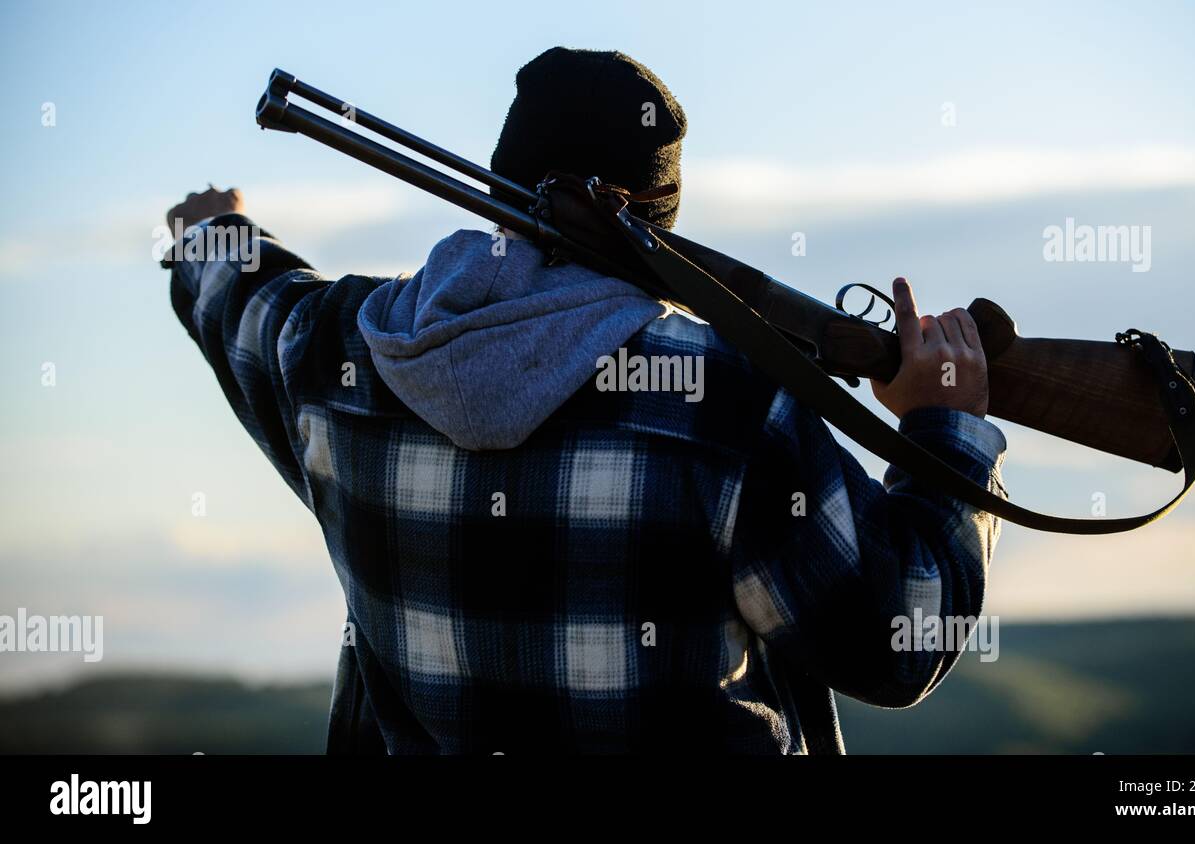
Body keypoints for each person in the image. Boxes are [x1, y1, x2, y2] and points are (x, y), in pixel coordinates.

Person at [163, 47, 1006, 754]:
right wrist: (945, 431)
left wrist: (213, 235)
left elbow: (245, 300)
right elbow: (899, 640)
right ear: (659, 226)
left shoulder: (339, 350)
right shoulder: (733, 402)